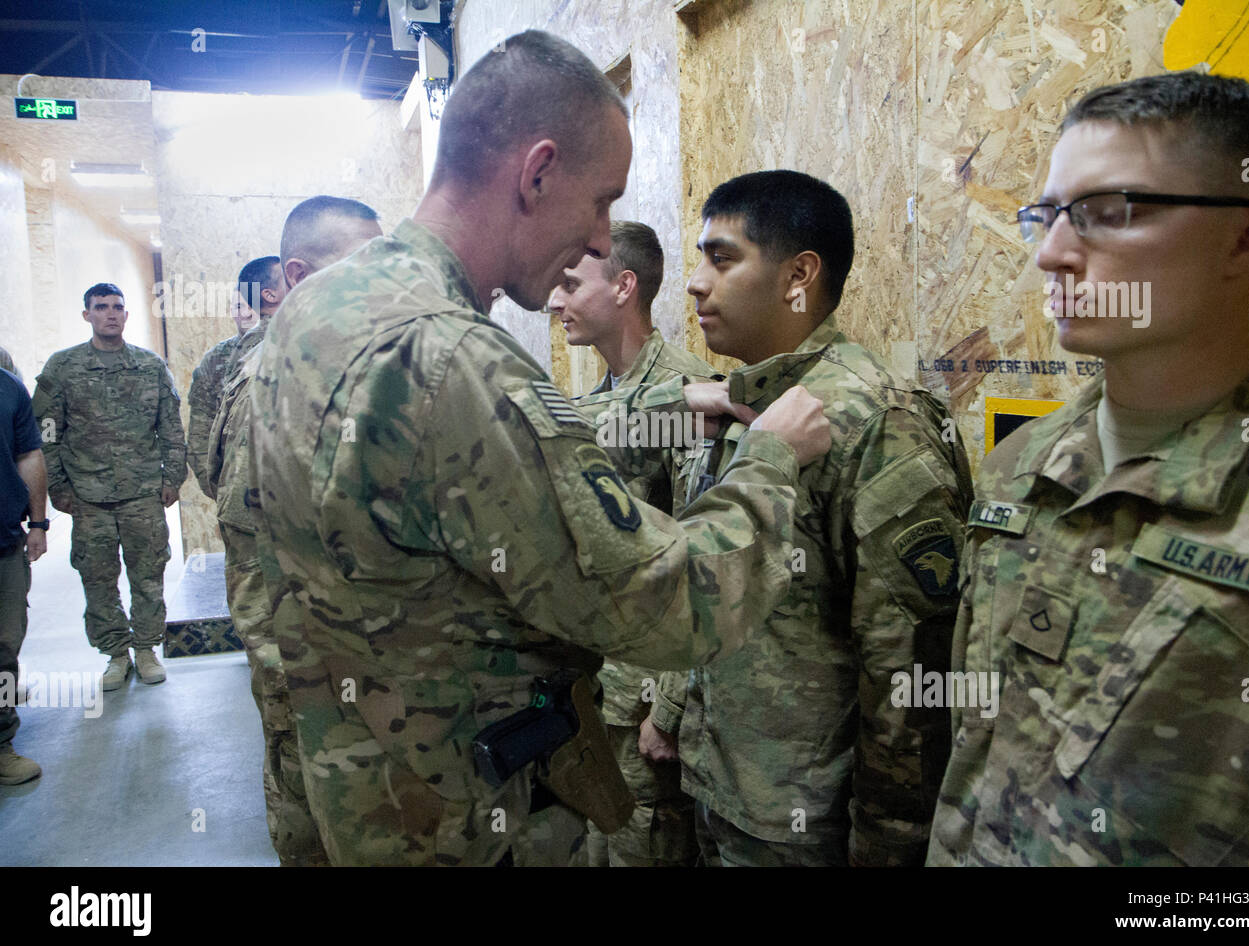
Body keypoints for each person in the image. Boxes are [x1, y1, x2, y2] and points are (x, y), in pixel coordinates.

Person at [248, 30, 830, 867]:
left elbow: (456, 475)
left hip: (362, 792)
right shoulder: (457, 363)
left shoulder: (323, 308)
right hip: (467, 823)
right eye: (601, 202)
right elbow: (667, 606)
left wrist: (661, 405)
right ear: (538, 171)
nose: (601, 239)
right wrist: (771, 460)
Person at [927, 71, 1249, 867]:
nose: (1054, 255)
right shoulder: (1021, 466)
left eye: (1108, 214)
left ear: (1248, 237)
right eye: (1047, 216)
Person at [628, 170, 972, 866]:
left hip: (804, 824)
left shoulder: (874, 421)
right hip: (722, 787)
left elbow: (908, 672)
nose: (695, 282)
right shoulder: (727, 405)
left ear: (798, 276)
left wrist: (889, 847)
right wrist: (673, 712)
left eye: (721, 258)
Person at [208, 195, 381, 865]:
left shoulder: (341, 367)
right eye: (364, 263)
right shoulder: (274, 380)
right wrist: (289, 681)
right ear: (300, 274)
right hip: (305, 666)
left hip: (352, 662)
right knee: (314, 820)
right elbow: (255, 549)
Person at [547, 220, 716, 866]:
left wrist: (669, 709)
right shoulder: (605, 401)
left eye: (570, 283)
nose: (555, 301)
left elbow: (708, 566)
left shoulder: (687, 395)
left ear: (623, 286)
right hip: (594, 698)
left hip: (644, 704)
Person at [31, 283, 186, 690]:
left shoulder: (150, 367)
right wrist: (58, 489)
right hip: (88, 496)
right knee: (97, 578)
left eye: (118, 307)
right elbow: (46, 433)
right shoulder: (63, 368)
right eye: (101, 307)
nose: (111, 314)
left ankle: (148, 648)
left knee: (149, 574)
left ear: (127, 314)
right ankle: (117, 653)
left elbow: (170, 428)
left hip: (142, 493)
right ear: (87, 315)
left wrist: (173, 477)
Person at [188, 256, 285, 495]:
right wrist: (216, 488)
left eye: (247, 305)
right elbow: (201, 428)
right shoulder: (217, 358)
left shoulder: (288, 343)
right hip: (239, 489)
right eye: (238, 306)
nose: (244, 313)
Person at [0, 365, 46, 784]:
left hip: (3, 540)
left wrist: (38, 523)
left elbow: (29, 453)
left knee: (3, 645)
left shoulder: (7, 385)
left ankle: (1, 745)